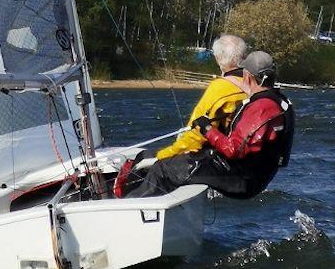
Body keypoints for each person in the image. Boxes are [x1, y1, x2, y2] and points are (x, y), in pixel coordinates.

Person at [124, 50, 294, 199]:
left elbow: (234, 150)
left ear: (248, 77)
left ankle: (129, 211)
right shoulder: (278, 101)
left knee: (163, 169)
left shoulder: (262, 107)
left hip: (244, 179)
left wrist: (207, 129)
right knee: (179, 162)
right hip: (252, 174)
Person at [156, 34, 248, 160]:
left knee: (148, 165)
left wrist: (162, 155)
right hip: (246, 161)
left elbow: (196, 137)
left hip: (215, 159)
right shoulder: (254, 85)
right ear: (244, 56)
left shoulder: (220, 88)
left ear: (218, 58)